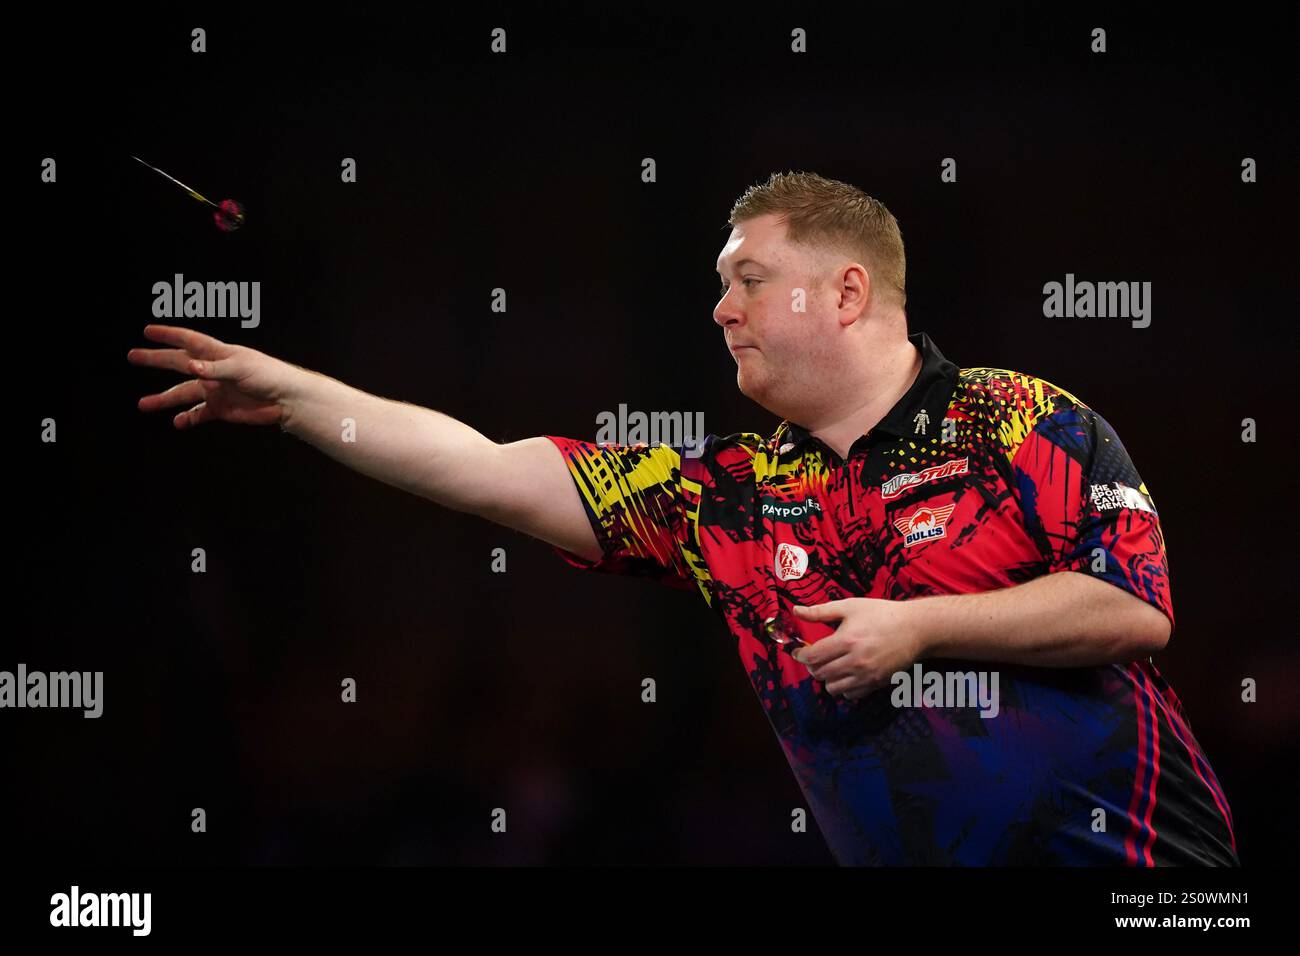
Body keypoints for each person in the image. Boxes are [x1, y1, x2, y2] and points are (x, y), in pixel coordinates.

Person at [129, 170, 1238, 866]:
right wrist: (292, 398)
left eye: (748, 278)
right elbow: (480, 465)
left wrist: (919, 629)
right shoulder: (725, 497)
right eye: (720, 284)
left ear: (845, 293)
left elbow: (1129, 608)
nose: (719, 308)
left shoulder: (1021, 420)